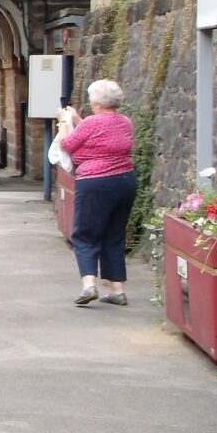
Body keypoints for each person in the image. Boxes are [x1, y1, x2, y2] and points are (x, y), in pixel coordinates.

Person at [59, 79, 136, 306]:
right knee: (114, 234)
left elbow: (67, 144)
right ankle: (117, 289)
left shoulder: (92, 123)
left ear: (96, 102)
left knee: (85, 233)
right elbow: (98, 132)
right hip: (125, 180)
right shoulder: (125, 122)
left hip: (95, 182)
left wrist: (64, 121)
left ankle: (88, 285)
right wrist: (77, 119)